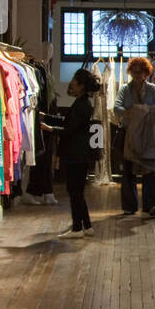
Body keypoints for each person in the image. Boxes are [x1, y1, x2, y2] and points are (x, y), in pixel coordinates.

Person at [42, 67, 100, 238]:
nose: (71, 84)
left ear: (81, 86)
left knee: (74, 191)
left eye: (75, 82)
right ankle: (87, 226)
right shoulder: (82, 103)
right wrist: (47, 117)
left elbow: (69, 129)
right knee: (77, 191)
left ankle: (77, 228)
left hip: (76, 153)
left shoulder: (82, 105)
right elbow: (69, 121)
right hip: (79, 153)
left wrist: (50, 128)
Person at [115, 56, 155, 217]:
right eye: (135, 72)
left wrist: (146, 111)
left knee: (149, 170)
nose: (138, 75)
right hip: (129, 136)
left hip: (148, 135)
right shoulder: (124, 89)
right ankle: (130, 205)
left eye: (141, 72)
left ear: (146, 73)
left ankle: (151, 204)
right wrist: (132, 112)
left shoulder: (152, 89)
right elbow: (117, 108)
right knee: (128, 171)